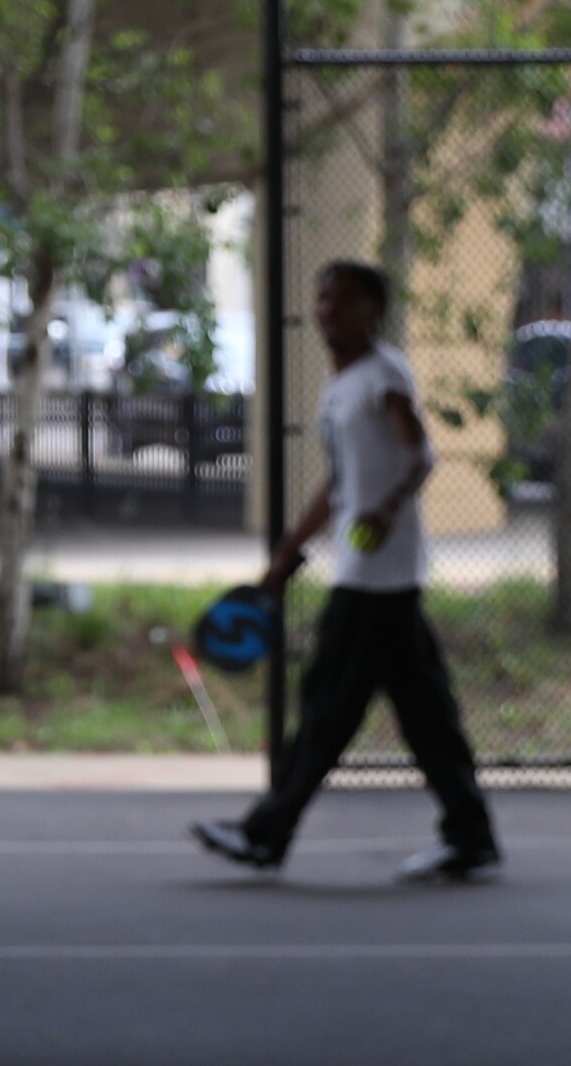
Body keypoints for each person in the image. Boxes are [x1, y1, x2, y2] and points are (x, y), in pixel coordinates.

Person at [191, 259, 504, 882]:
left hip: (377, 575)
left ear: (373, 312)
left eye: (344, 300)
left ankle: (266, 833)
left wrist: (388, 508)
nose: (329, 309)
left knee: (326, 705)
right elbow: (339, 483)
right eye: (324, 298)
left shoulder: (385, 377)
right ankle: (471, 836)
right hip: (369, 573)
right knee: (427, 714)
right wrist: (289, 551)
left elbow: (421, 455)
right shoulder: (337, 388)